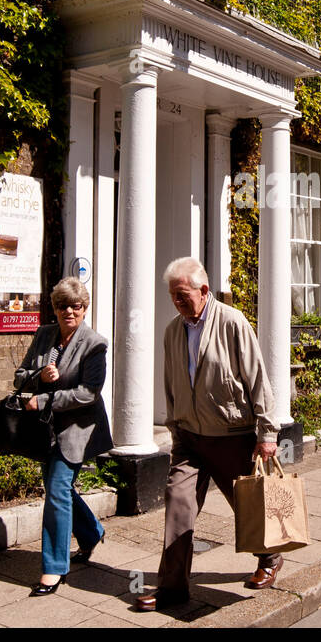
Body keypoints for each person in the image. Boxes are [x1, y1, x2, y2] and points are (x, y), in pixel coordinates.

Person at [135, 257, 281, 612]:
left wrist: (267, 432)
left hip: (231, 433)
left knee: (247, 506)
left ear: (204, 290)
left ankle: (269, 557)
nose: (177, 302)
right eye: (172, 296)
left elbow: (257, 378)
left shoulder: (232, 322)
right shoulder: (173, 329)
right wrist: (174, 425)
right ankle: (172, 589)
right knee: (178, 507)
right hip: (189, 437)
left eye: (182, 295)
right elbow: (171, 381)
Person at [14, 277, 113, 596]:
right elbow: (20, 375)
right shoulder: (44, 335)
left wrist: (43, 399)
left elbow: (88, 393)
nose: (69, 311)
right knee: (60, 488)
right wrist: (38, 375)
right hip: (47, 430)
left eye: (76, 306)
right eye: (62, 305)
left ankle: (53, 569)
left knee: (56, 489)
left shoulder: (95, 343)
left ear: (85, 309)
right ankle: (91, 532)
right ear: (54, 308)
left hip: (78, 429)